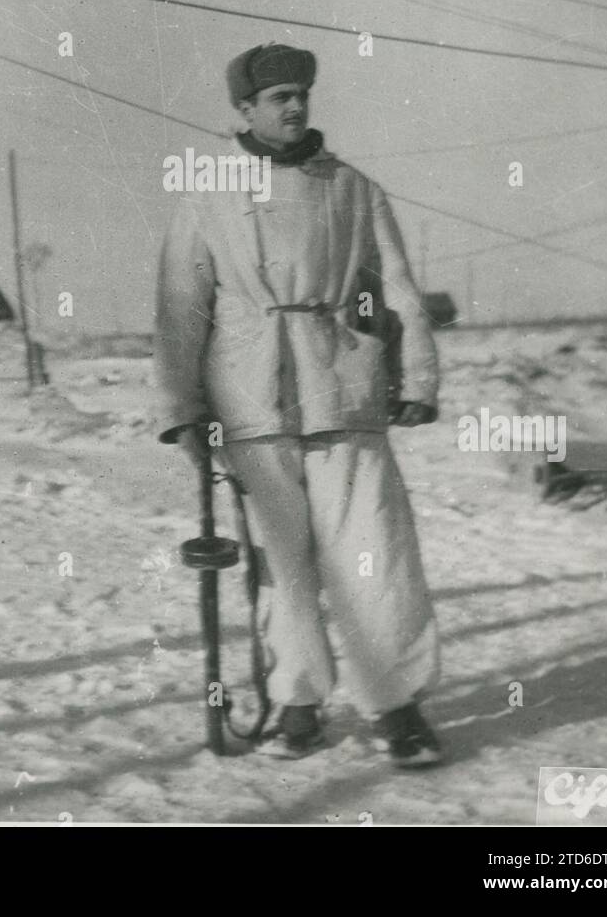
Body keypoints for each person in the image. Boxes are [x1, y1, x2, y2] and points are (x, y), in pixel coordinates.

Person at [154, 43, 442, 764]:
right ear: (243, 109)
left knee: (372, 554)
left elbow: (396, 287)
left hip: (341, 385)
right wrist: (182, 409)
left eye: (300, 93)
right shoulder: (207, 191)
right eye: (277, 96)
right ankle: (297, 699)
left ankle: (396, 706)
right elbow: (181, 307)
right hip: (249, 397)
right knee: (281, 563)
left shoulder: (351, 188)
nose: (293, 106)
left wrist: (414, 380)